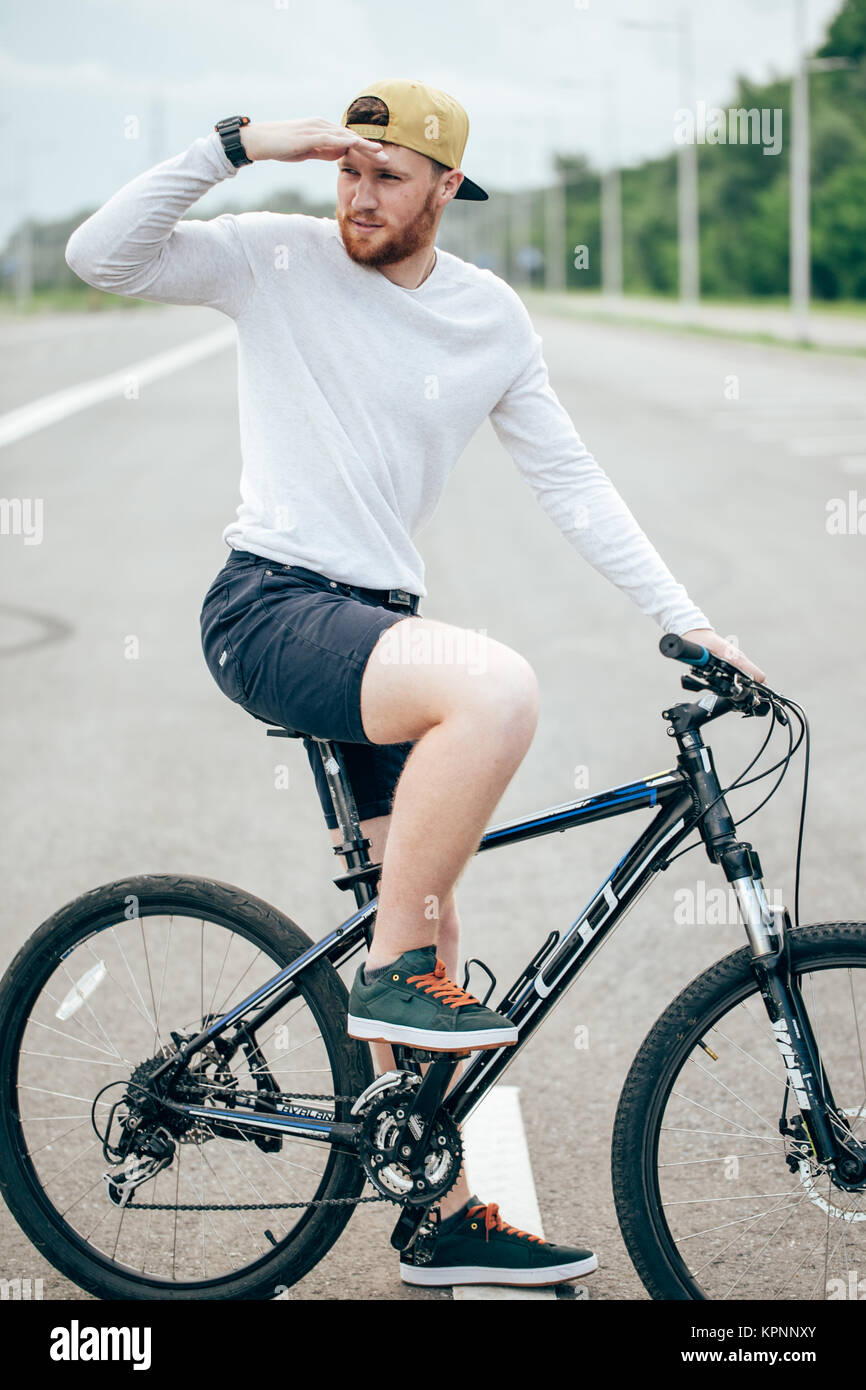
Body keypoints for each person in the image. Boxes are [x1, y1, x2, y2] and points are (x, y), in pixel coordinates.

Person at [65, 77, 765, 1290]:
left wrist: (690, 623)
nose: (358, 195)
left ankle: (434, 1204)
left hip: (370, 625)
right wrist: (239, 147)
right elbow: (99, 255)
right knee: (491, 691)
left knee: (437, 911)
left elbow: (572, 482)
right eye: (347, 169)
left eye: (388, 176)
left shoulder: (488, 319)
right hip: (269, 607)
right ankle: (394, 977)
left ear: (448, 187)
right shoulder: (273, 258)